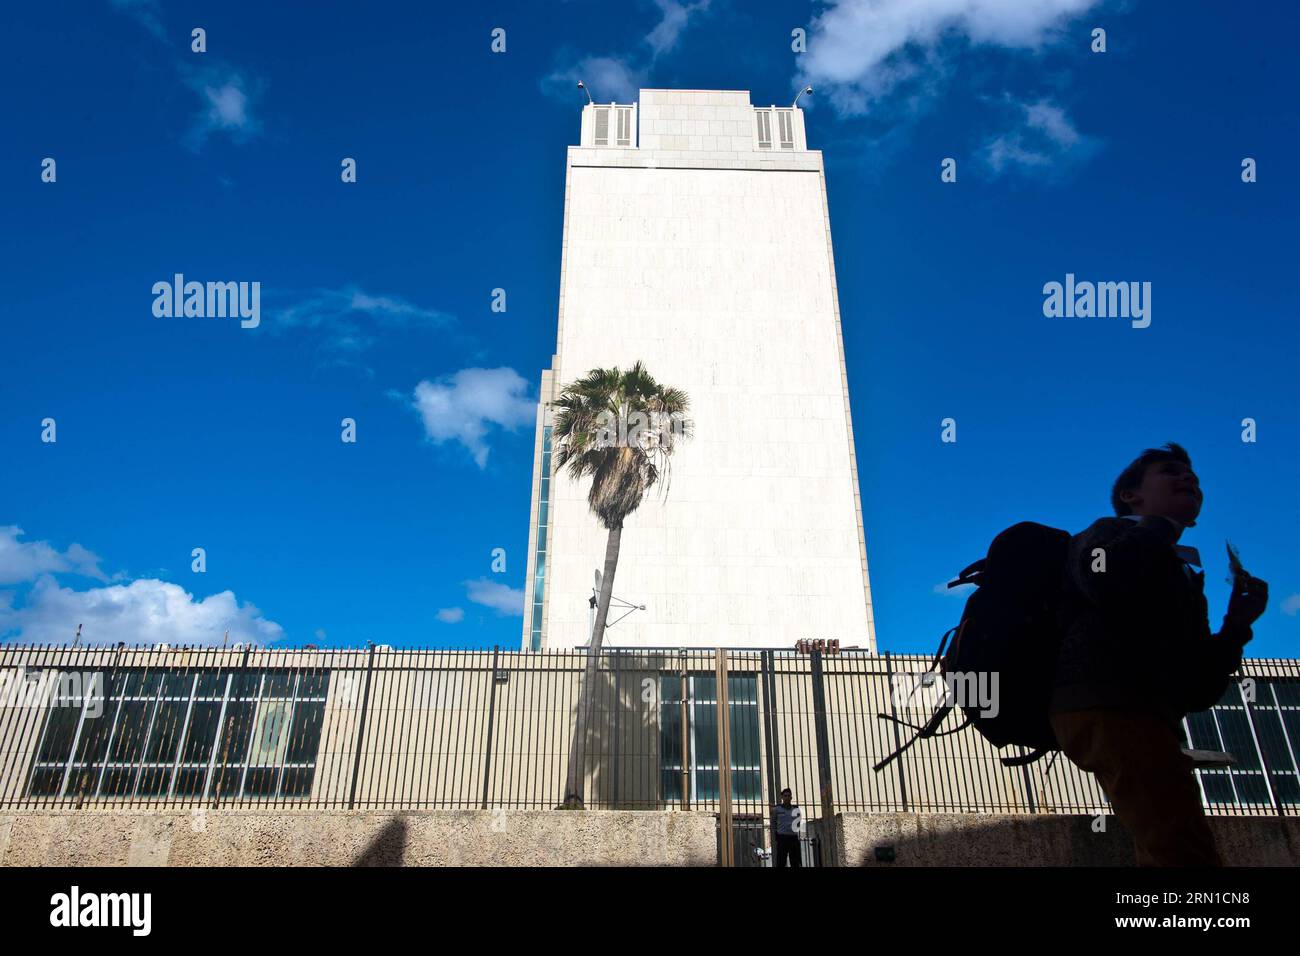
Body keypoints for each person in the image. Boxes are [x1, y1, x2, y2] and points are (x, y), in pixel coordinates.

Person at [1050, 442, 1268, 866]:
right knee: (1182, 847)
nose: (1190, 480)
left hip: (1149, 713)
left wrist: (1237, 625)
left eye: (1196, 480)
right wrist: (1161, 525)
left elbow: (1197, 688)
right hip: (1107, 702)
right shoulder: (1105, 534)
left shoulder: (1184, 573)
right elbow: (1105, 576)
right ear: (1132, 496)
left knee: (1168, 842)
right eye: (1171, 473)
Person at [773, 788, 803, 868]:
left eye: (788, 796)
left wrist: (794, 831)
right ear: (782, 797)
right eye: (785, 796)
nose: (787, 797)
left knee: (795, 861)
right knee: (781, 861)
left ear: (791, 798)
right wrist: (777, 834)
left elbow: (799, 821)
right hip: (782, 838)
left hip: (793, 838)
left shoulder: (795, 809)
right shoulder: (777, 809)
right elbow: (773, 822)